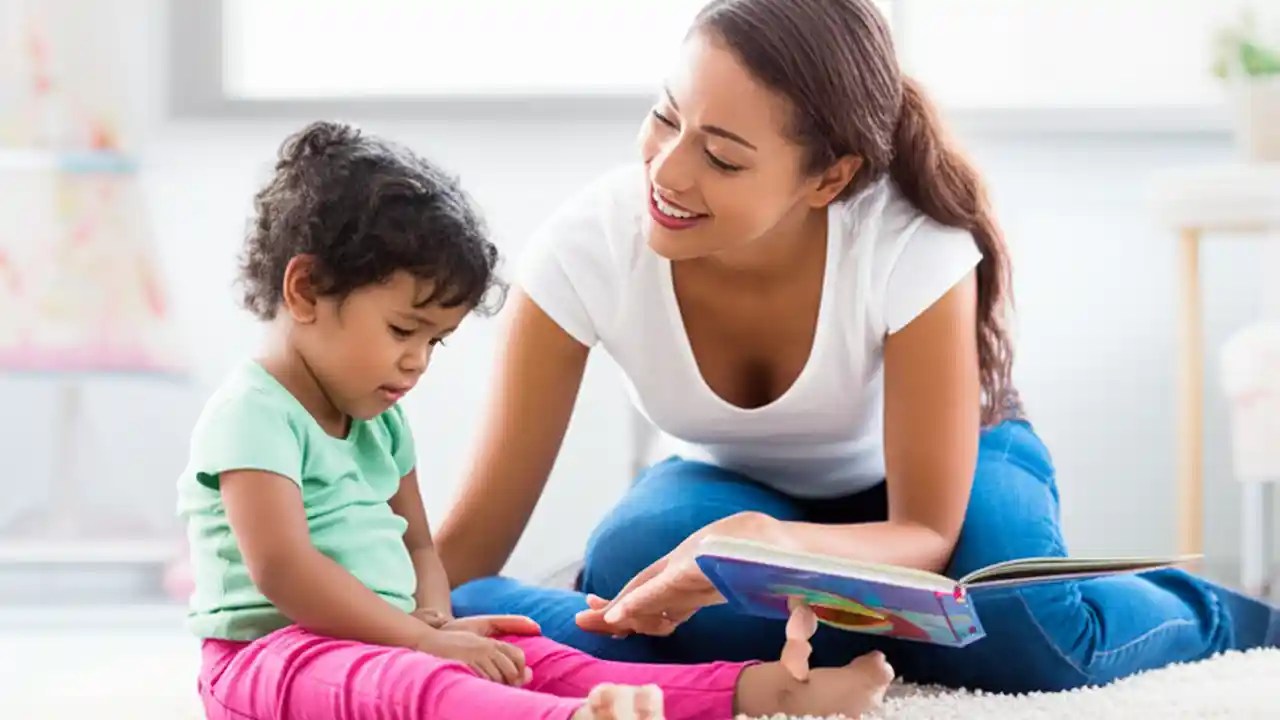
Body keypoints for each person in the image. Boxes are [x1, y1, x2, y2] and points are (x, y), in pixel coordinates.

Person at [439, 0, 1280, 694]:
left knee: (1022, 631)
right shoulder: (586, 247)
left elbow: (922, 529)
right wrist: (358, 621)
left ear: (828, 179)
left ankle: (1244, 618)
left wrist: (768, 548)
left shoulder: (910, 244)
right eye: (666, 116)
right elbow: (470, 549)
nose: (668, 171)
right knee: (630, 567)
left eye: (722, 158)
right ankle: (905, 639)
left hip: (943, 486)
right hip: (738, 485)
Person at [176, 120, 896, 720]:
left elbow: (423, 550)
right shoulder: (254, 414)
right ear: (304, 289)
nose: (418, 362)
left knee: (538, 656)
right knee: (418, 687)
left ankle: (763, 691)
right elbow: (282, 569)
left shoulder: (379, 424)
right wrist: (416, 642)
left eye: (434, 341)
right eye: (403, 330)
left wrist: (437, 622)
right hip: (272, 656)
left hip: (386, 637)